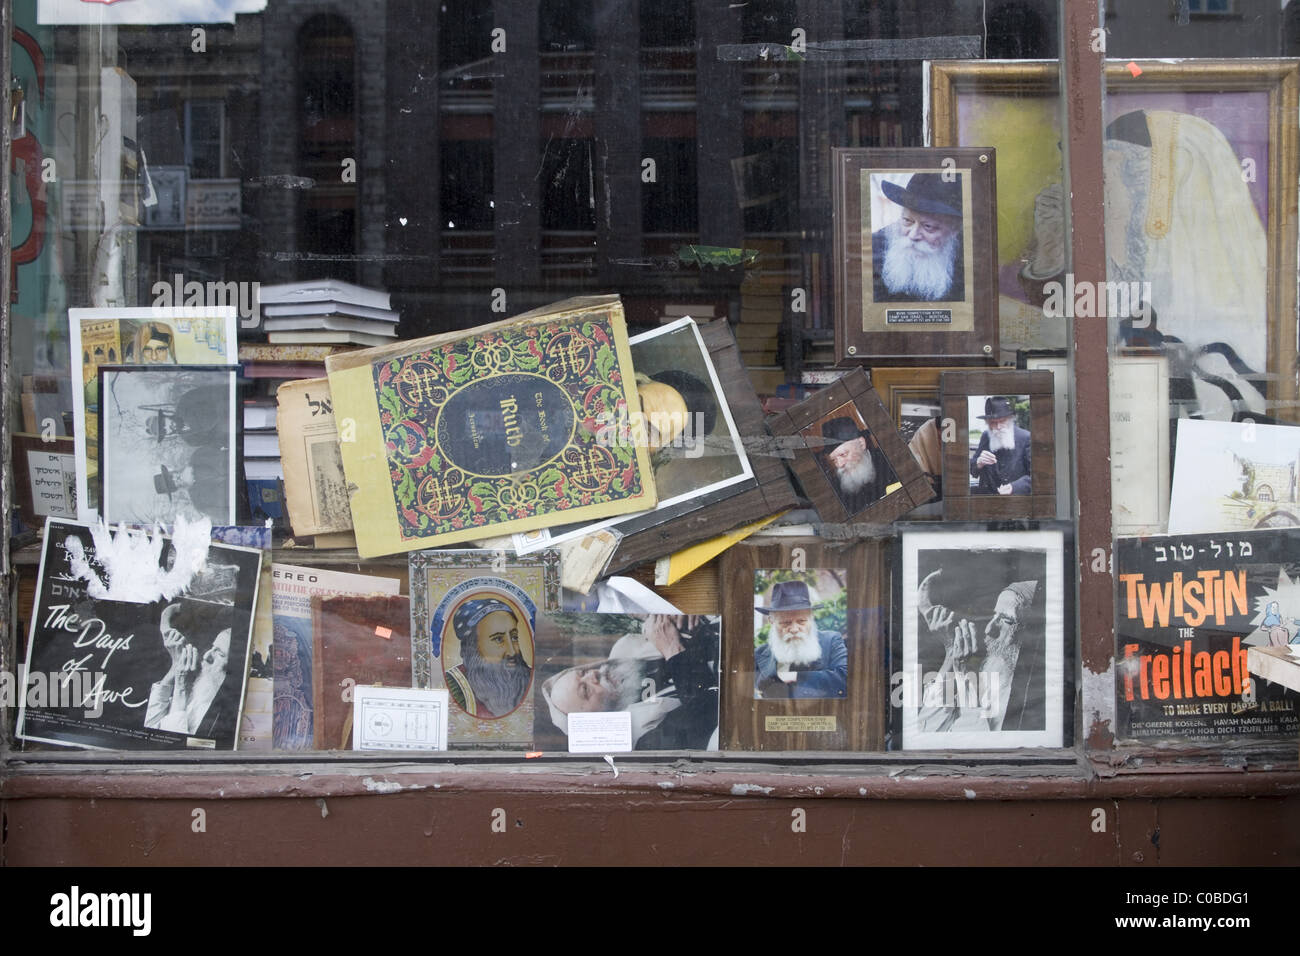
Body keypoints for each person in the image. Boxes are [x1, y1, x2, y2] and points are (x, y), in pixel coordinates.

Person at [542, 614, 718, 750]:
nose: (593, 675)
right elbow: (711, 713)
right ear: (596, 720)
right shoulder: (648, 740)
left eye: (583, 672)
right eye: (585, 690)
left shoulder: (625, 650)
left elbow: (668, 626)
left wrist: (674, 617)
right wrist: (672, 649)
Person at [915, 568, 1044, 733]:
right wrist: (950, 652)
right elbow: (927, 731)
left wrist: (966, 679)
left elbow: (973, 740)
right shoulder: (993, 666)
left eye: (1005, 620)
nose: (989, 629)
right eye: (994, 616)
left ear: (1030, 634)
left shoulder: (1031, 698)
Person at [872, 172, 965, 303]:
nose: (913, 235)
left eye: (928, 226)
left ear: (954, 230)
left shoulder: (970, 263)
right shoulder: (874, 249)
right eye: (907, 221)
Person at [145, 603, 232, 737]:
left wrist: (180, 686)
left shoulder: (221, 716)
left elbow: (170, 743)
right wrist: (175, 668)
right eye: (212, 648)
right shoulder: (206, 686)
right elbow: (152, 727)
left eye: (220, 654)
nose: (206, 656)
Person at [753, 581, 847, 699]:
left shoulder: (831, 641)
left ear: (811, 618)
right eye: (785, 622)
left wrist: (795, 676)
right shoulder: (759, 654)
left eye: (801, 621)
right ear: (771, 621)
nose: (794, 629)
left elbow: (846, 678)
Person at [444, 598, 532, 718]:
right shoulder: (454, 686)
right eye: (498, 639)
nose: (512, 652)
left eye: (514, 637)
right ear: (472, 646)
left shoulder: (533, 678)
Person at [820, 416, 896, 515]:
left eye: (843, 454)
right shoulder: (835, 488)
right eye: (834, 460)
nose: (839, 464)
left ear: (861, 443)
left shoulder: (892, 461)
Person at [969, 396, 1031, 495]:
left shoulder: (1025, 438)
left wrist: (1014, 487)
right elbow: (972, 469)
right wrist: (978, 463)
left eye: (1002, 421)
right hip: (987, 500)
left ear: (1010, 419)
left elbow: (1036, 476)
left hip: (1016, 501)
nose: (998, 427)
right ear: (987, 423)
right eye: (993, 423)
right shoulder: (986, 436)